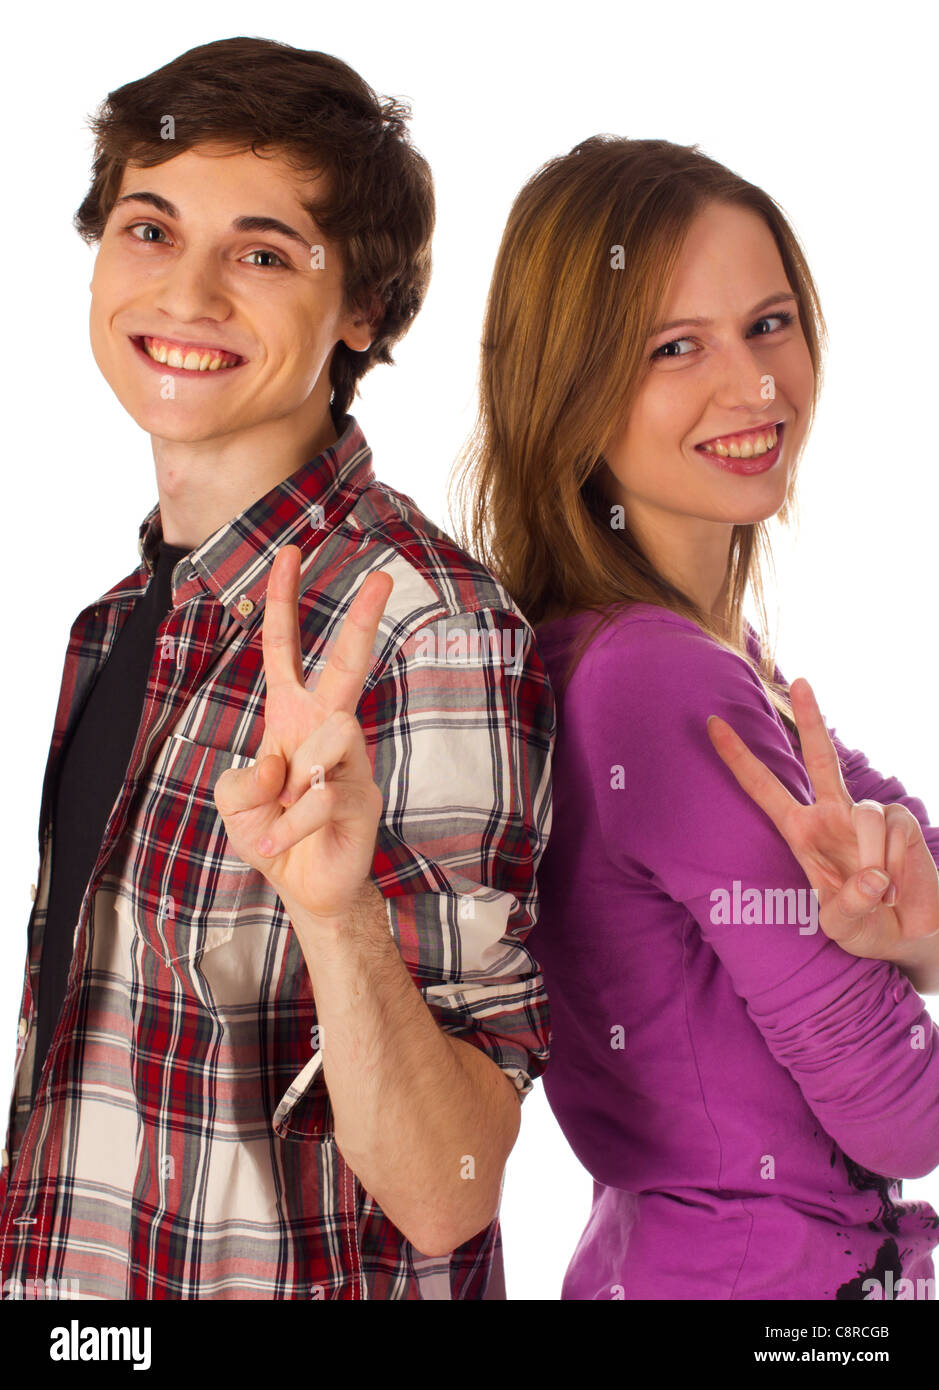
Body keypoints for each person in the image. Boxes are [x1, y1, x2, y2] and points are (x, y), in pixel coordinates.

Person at [0, 37, 555, 1301]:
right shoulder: (114, 626)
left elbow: (448, 1188)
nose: (187, 295)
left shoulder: (425, 625)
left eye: (260, 253)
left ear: (364, 308)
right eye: (149, 229)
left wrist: (336, 910)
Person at [451, 135, 939, 1299]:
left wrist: (917, 935)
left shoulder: (685, 657)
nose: (756, 384)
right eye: (676, 347)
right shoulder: (660, 684)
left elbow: (921, 872)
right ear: (568, 390)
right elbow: (900, 1115)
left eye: (770, 324)